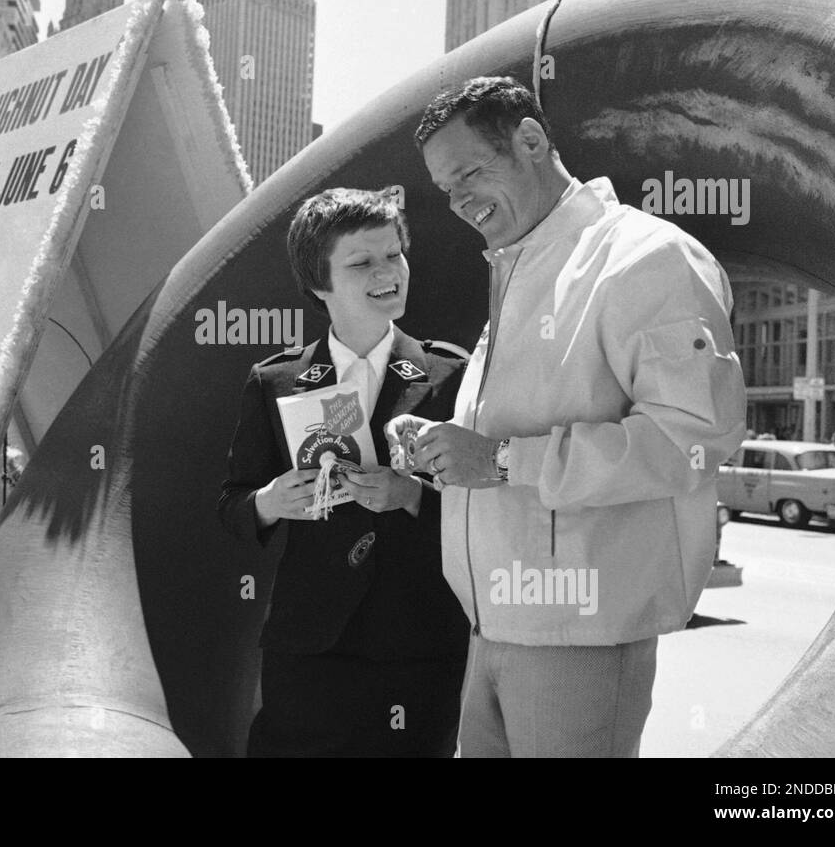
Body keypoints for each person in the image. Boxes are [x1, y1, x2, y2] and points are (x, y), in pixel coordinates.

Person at [412, 76, 747, 757]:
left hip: (580, 633)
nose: (460, 201)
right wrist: (440, 449)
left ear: (531, 141)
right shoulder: (518, 272)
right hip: (492, 625)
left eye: (471, 173)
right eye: (447, 189)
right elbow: (499, 445)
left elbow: (692, 439)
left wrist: (503, 460)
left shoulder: (647, 257)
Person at [218, 187, 471, 757]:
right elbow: (232, 504)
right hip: (308, 649)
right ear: (319, 285)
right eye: (362, 262)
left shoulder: (452, 373)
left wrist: (411, 497)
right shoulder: (273, 380)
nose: (388, 272)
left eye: (394, 254)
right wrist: (269, 501)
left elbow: (487, 506)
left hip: (419, 645)